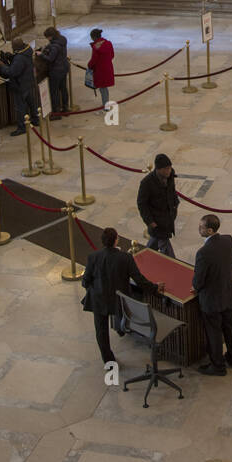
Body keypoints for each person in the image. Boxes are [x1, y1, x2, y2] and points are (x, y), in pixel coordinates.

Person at [80, 227, 164, 366]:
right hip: (118, 299)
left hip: (98, 299)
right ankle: (121, 329)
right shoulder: (125, 258)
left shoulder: (93, 257)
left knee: (101, 331)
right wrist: (155, 288)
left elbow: (85, 281)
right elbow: (139, 280)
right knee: (122, 313)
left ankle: (108, 361)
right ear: (116, 240)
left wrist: (97, 290)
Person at [192, 214, 232, 376]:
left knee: (214, 333)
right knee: (230, 327)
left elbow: (198, 281)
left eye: (201, 228)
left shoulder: (203, 253)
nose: (199, 229)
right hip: (227, 293)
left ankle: (218, 365)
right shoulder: (228, 240)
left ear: (210, 230)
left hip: (211, 300)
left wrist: (196, 288)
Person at [137, 153, 179, 257]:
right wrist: (150, 221)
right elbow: (142, 204)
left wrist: (175, 204)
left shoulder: (170, 175)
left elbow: (172, 191)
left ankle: (145, 257)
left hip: (168, 216)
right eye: (166, 168)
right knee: (166, 247)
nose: (169, 170)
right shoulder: (146, 183)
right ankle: (172, 265)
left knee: (155, 240)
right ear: (158, 169)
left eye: (170, 168)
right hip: (157, 220)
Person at [0, 37, 39, 136]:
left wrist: (2, 65)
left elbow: (12, 72)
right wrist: (12, 57)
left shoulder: (20, 58)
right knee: (31, 102)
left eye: (12, 46)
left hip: (20, 85)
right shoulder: (27, 51)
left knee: (20, 107)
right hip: (28, 82)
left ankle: (21, 127)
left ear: (16, 47)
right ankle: (36, 119)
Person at [41, 26, 70, 119]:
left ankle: (56, 113)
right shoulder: (62, 40)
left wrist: (41, 55)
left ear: (51, 36)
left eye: (48, 37)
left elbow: (50, 59)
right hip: (64, 67)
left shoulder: (54, 46)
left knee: (54, 92)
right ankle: (66, 109)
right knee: (63, 89)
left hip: (56, 70)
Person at [87, 28, 115, 107]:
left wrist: (89, 65)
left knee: (103, 89)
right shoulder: (108, 43)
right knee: (104, 88)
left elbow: (94, 60)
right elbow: (112, 55)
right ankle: (106, 103)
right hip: (108, 68)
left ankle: (105, 106)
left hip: (100, 70)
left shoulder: (96, 46)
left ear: (94, 37)